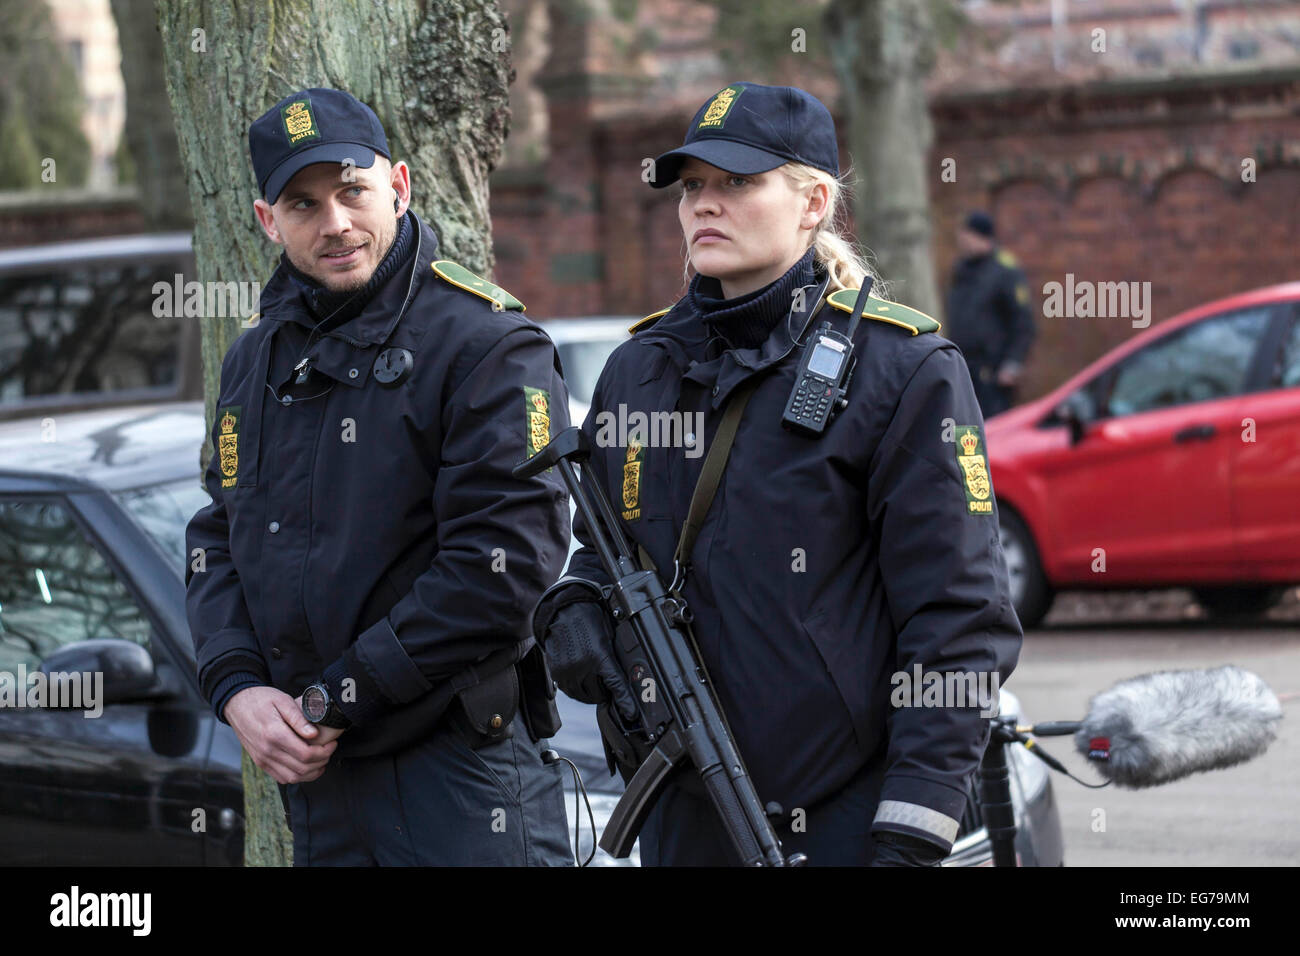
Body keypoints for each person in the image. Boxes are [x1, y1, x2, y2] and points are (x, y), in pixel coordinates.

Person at [531, 82, 1023, 866]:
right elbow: (604, 554)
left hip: (843, 821)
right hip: (680, 810)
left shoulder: (903, 371)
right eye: (693, 187)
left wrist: (911, 832)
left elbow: (960, 623)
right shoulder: (640, 370)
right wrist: (572, 615)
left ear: (813, 201)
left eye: (738, 183)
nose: (704, 207)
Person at [184, 88, 573, 866]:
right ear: (269, 222)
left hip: (461, 778)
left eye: (352, 191)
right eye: (303, 203)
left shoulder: (488, 346)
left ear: (398, 185)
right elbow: (217, 535)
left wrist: (337, 696)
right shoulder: (255, 358)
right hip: (320, 783)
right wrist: (235, 687)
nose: (334, 224)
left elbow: (503, 566)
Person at [945, 211, 1036, 418]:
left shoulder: (1004, 271)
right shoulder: (962, 269)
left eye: (967, 236)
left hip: (993, 374)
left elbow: (1023, 323)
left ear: (981, 237)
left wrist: (1012, 364)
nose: (962, 241)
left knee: (993, 433)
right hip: (964, 369)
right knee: (966, 434)